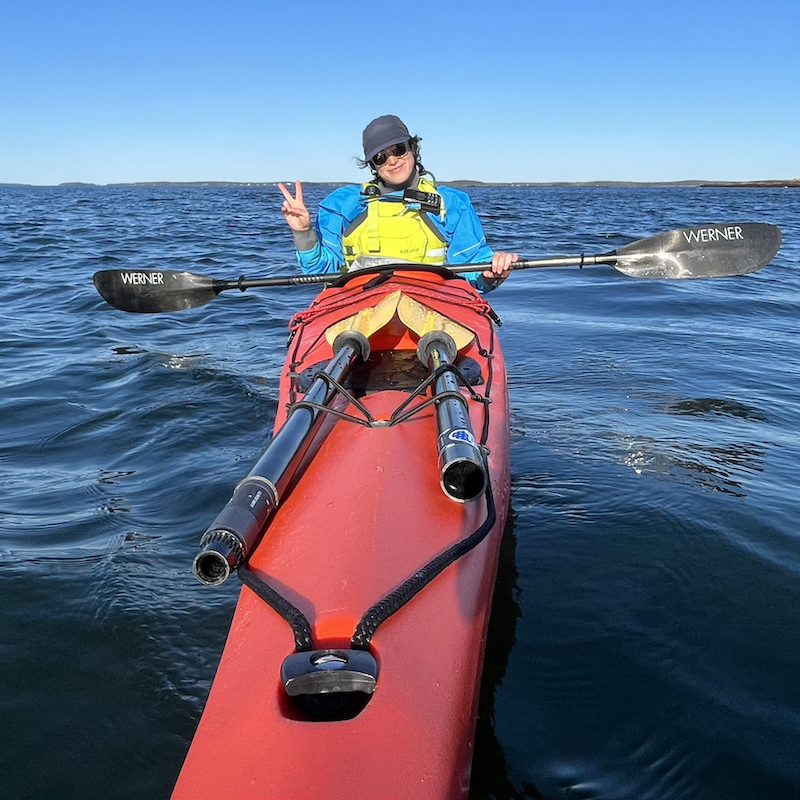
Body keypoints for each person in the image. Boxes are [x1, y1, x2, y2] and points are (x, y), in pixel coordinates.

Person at [277, 115, 518, 293]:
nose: (392, 161)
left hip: (434, 304)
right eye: (381, 157)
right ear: (373, 165)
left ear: (413, 149)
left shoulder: (452, 203)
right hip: (359, 307)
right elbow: (321, 272)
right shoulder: (344, 205)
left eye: (399, 149)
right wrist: (303, 233)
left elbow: (473, 270)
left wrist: (491, 271)